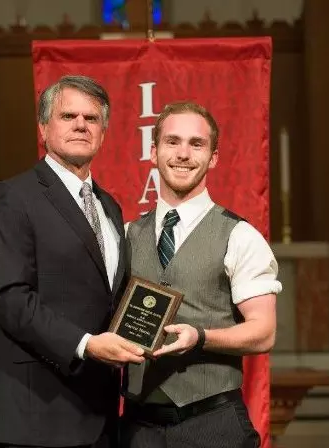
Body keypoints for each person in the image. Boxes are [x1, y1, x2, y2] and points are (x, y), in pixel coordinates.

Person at [0, 75, 145, 448]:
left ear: (103, 132)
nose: (81, 125)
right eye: (69, 116)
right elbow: (10, 298)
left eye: (92, 118)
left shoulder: (109, 207)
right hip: (36, 415)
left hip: (99, 415)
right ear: (43, 129)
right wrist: (85, 343)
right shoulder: (12, 197)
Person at [122, 101, 281, 448]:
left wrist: (201, 337)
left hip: (213, 425)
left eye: (196, 144)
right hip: (137, 429)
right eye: (172, 141)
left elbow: (264, 332)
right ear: (153, 152)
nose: (183, 153)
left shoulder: (239, 235)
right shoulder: (126, 235)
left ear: (213, 158)